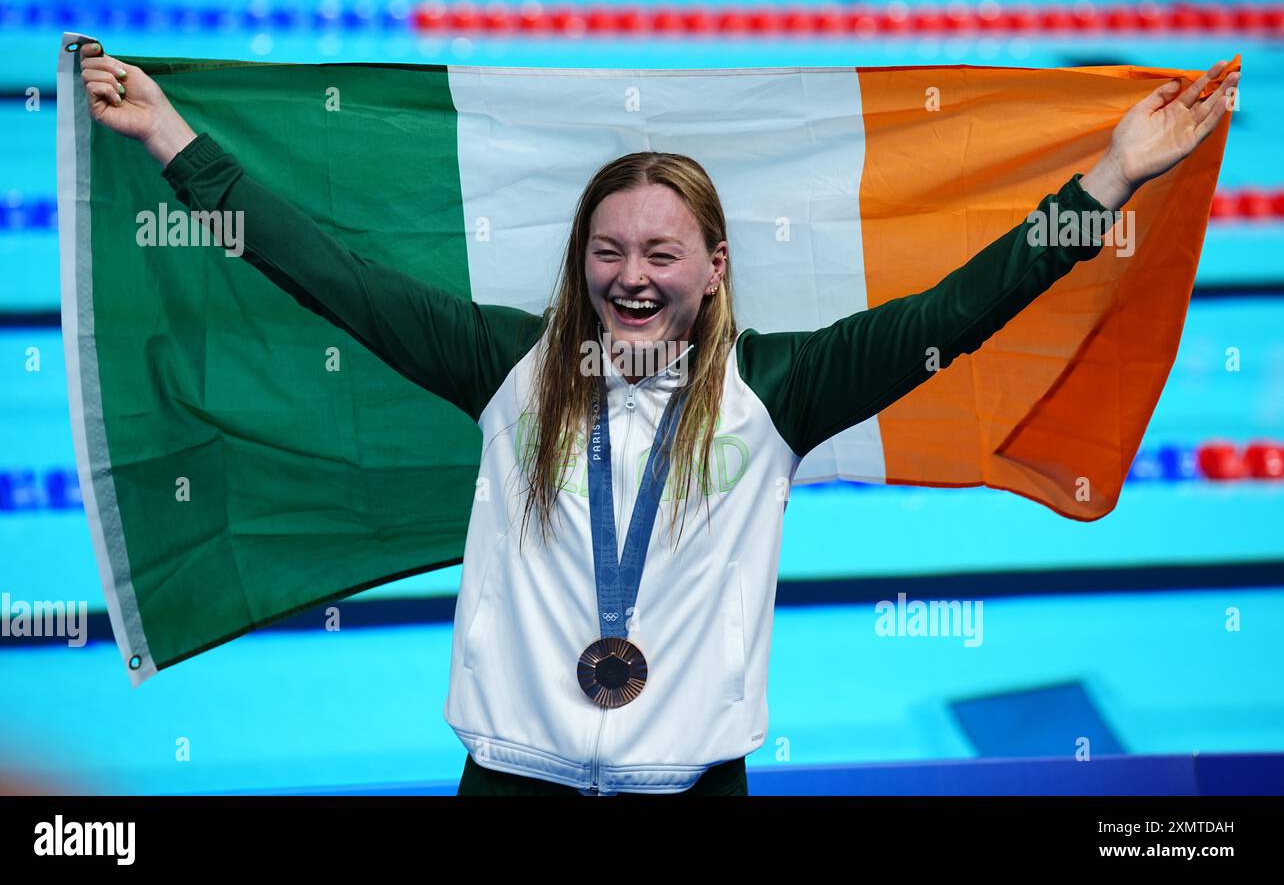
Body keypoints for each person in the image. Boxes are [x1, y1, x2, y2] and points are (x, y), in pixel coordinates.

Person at [77, 40, 1237, 796]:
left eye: (662, 252)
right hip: (509, 780)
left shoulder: (780, 390)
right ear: (580, 262)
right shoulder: (506, 365)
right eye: (609, 250)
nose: (634, 275)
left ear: (715, 266)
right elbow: (325, 272)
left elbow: (963, 309)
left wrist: (1112, 177)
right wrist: (174, 141)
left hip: (692, 785)